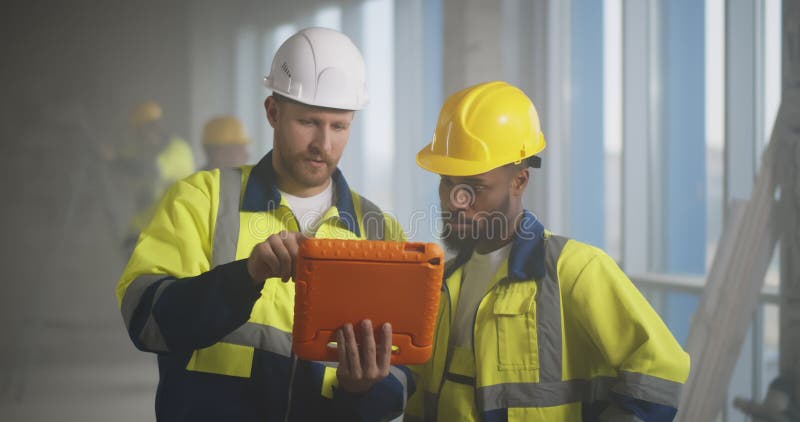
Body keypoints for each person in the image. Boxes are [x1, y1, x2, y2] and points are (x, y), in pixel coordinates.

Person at [115, 27, 411, 421]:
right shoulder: (201, 200)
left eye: (339, 126)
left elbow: (403, 382)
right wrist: (245, 276)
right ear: (272, 112)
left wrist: (361, 389)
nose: (323, 143)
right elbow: (145, 320)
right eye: (308, 122)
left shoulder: (379, 231)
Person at [405, 81, 690, 421]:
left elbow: (660, 371)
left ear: (520, 180)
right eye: (447, 182)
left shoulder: (574, 270)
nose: (455, 201)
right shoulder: (439, 283)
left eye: (475, 187)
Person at [118, 101, 196, 247]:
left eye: (149, 128)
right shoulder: (144, 151)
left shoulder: (177, 150)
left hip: (172, 232)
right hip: (145, 230)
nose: (144, 135)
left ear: (159, 127)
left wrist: (117, 160)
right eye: (139, 132)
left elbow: (151, 168)